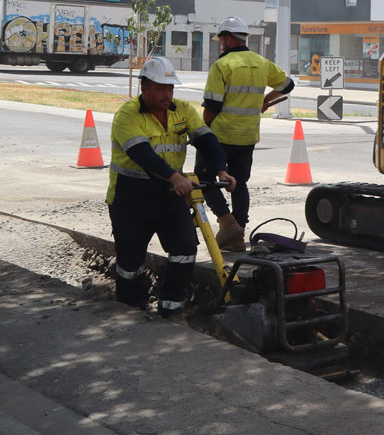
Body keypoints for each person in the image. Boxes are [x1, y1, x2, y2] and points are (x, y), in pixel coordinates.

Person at [109, 57, 236, 318]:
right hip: (132, 198)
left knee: (185, 249)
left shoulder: (183, 111)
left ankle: (171, 310)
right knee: (131, 261)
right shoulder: (127, 115)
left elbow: (206, 139)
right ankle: (132, 312)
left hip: (170, 196)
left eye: (170, 88)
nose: (168, 94)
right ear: (144, 87)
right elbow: (142, 154)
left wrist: (221, 168)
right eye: (161, 88)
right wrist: (174, 177)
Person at [196, 16, 294, 251]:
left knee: (205, 180)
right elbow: (287, 85)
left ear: (228, 39)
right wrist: (266, 101)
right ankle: (237, 240)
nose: (220, 44)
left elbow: (212, 106)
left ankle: (227, 222)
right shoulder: (261, 62)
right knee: (239, 184)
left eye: (221, 40)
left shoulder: (222, 65)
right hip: (247, 137)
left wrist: (202, 132)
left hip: (220, 136)